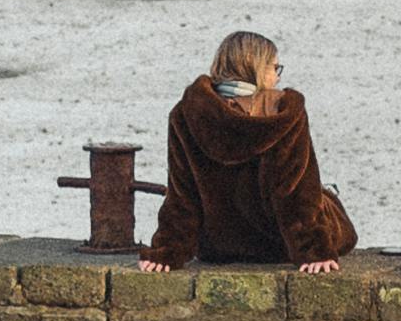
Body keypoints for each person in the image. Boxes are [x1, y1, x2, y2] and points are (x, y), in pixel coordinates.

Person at [143, 30, 357, 274]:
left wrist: (167, 252)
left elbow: (182, 194)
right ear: (256, 67)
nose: (277, 78)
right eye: (275, 68)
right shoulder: (284, 111)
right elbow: (296, 191)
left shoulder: (186, 113)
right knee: (324, 200)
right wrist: (314, 251)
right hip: (279, 246)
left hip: (217, 248)